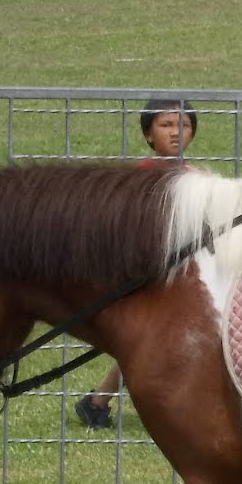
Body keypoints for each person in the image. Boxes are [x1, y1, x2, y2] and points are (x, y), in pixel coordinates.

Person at [73, 99, 199, 429]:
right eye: (166, 125)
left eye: (184, 125)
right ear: (148, 134)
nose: (176, 132)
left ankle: (98, 401)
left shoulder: (199, 179)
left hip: (182, 273)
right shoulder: (136, 179)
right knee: (147, 340)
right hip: (145, 274)